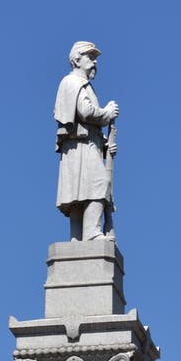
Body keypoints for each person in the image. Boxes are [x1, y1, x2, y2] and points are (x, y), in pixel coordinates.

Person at [54, 41, 119, 241]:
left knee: (80, 191)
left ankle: (77, 237)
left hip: (87, 144)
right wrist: (106, 113)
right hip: (80, 146)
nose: (94, 62)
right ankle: (90, 233)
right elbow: (85, 111)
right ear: (76, 59)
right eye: (89, 57)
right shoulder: (73, 82)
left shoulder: (83, 85)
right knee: (99, 183)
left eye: (95, 58)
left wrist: (105, 145)